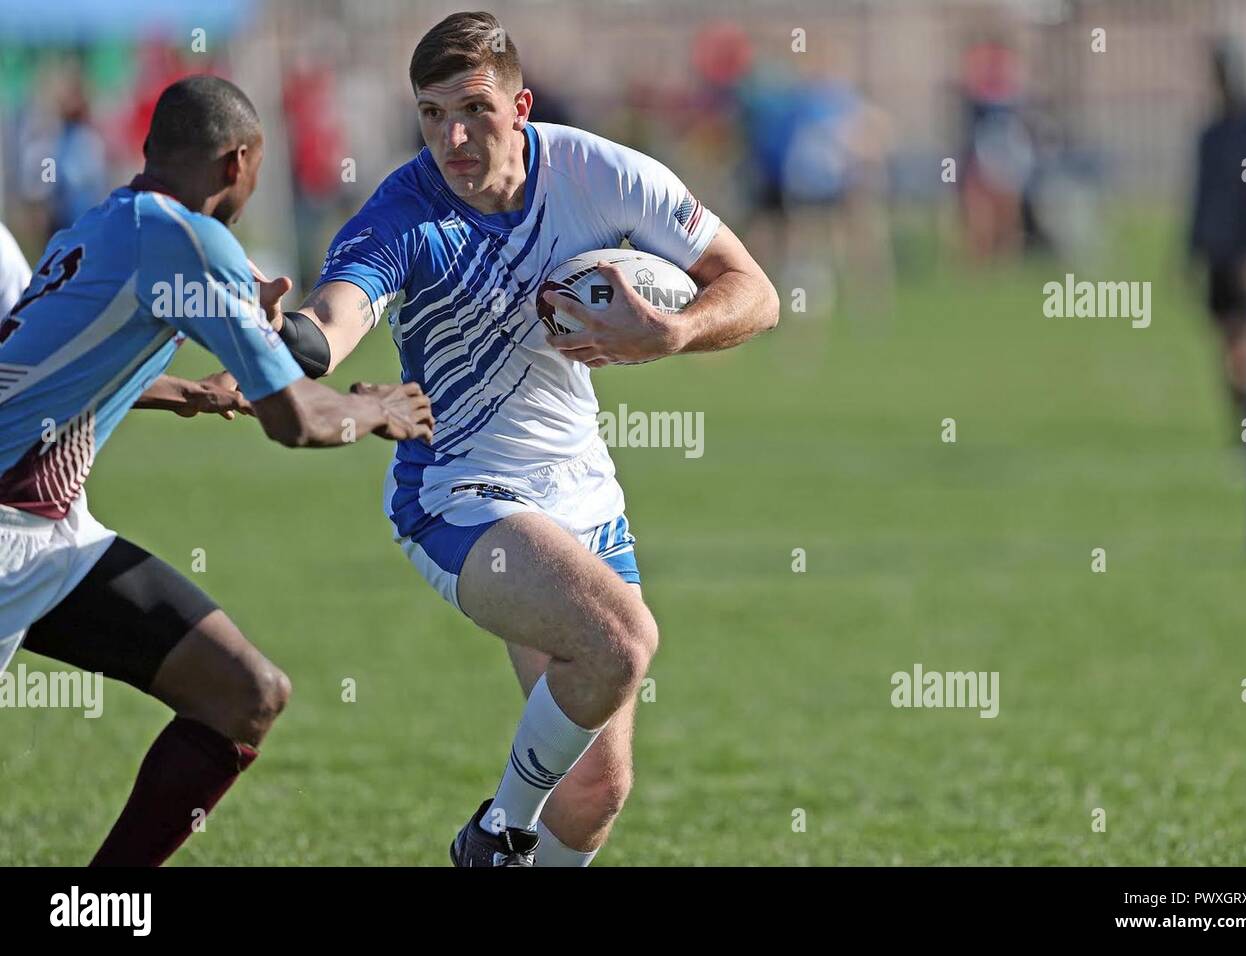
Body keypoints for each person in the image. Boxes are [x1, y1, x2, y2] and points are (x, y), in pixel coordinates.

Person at [269, 11, 778, 866]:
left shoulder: (599, 173)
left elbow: (753, 289)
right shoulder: (403, 214)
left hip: (581, 488)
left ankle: (522, 837)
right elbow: (330, 326)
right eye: (431, 115)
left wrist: (678, 333)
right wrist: (275, 329)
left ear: (522, 105)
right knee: (621, 641)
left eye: (473, 109)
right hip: (460, 497)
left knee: (595, 793)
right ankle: (498, 832)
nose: (453, 137)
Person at [0, 75, 433, 866]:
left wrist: (185, 389)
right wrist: (378, 409)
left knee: (244, 693)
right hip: (14, 531)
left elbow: (45, 372)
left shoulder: (100, 224)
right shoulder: (190, 241)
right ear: (238, 162)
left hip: (47, 534)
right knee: (243, 694)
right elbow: (298, 423)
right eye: (257, 171)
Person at [1189, 38, 1246, 422]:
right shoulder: (1212, 134)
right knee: (1229, 341)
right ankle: (1243, 421)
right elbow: (1201, 196)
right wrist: (1190, 253)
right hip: (1220, 252)